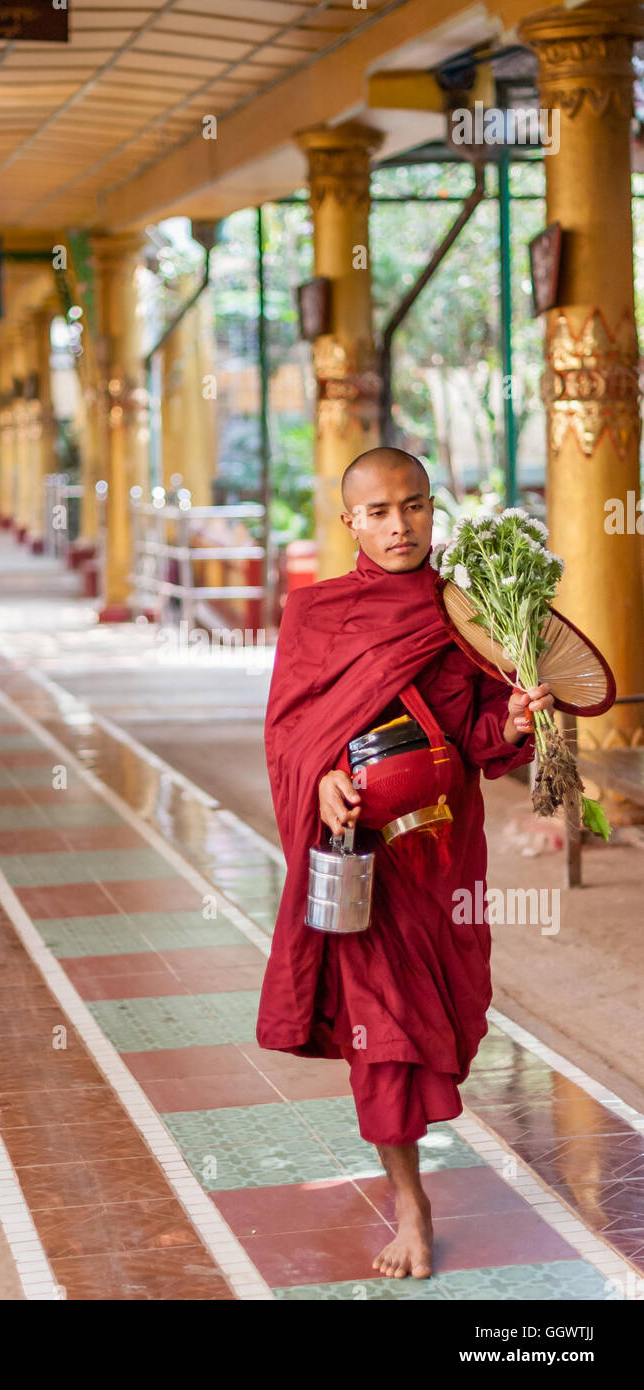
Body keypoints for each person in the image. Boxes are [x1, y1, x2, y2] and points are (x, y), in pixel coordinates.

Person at [257, 447, 554, 1280]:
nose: (399, 525)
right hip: (361, 865)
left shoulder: (462, 611)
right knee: (381, 1037)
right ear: (349, 519)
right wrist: (318, 782)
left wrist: (518, 719)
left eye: (414, 506)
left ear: (433, 511)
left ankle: (413, 1189)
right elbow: (290, 733)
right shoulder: (318, 616)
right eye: (379, 511)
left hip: (442, 860)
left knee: (446, 1020)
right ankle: (410, 1204)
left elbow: (477, 734)